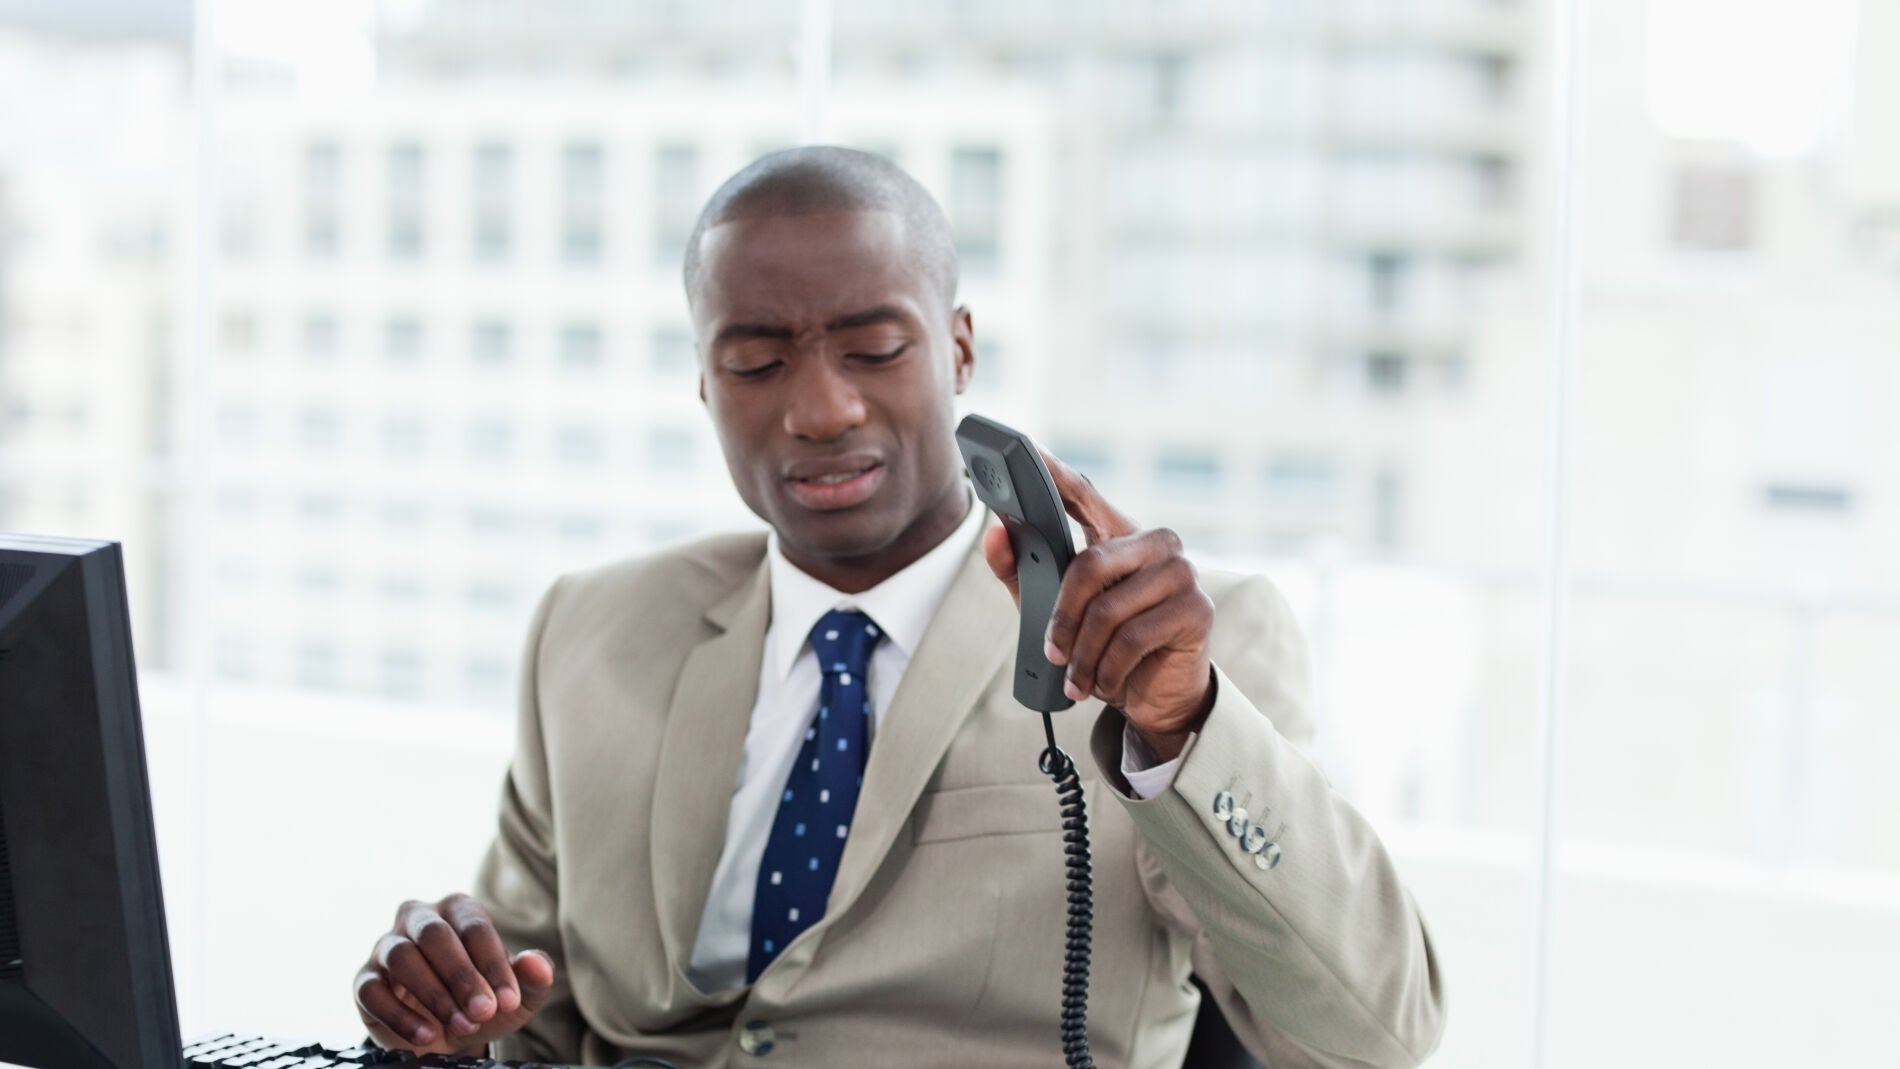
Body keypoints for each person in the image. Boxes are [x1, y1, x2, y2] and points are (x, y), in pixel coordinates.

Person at [350, 147, 1445, 1068]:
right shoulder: (591, 631)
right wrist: (446, 1009)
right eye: (756, 361)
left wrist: (1179, 726)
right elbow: (523, 1009)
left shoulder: (1169, 644)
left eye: (875, 350)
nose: (820, 409)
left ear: (959, 349)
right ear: (702, 382)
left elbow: (1374, 1038)